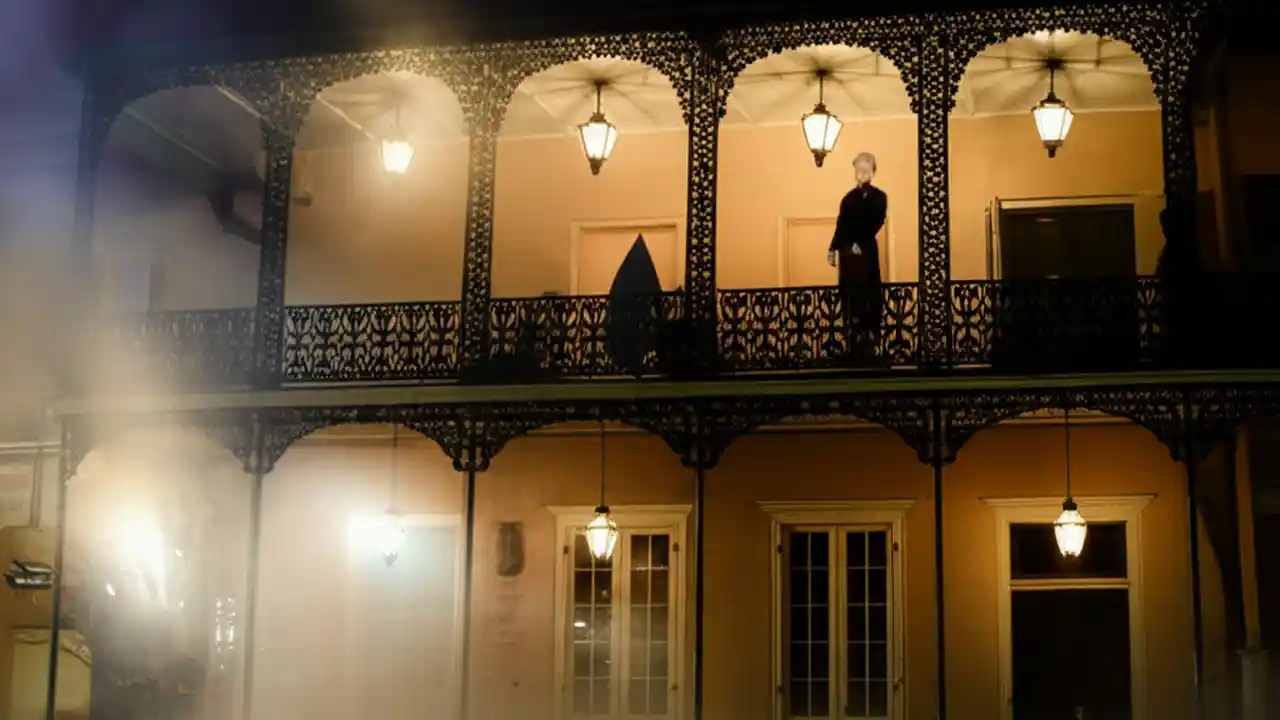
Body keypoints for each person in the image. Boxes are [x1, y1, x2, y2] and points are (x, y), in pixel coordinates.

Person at [827, 151, 887, 362]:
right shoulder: (848, 198)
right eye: (858, 169)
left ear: (872, 171)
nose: (861, 173)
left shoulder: (879, 197)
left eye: (865, 169)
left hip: (867, 253)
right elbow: (841, 225)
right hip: (848, 255)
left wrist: (858, 243)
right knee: (850, 297)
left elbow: (876, 221)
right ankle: (851, 339)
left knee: (869, 296)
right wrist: (833, 248)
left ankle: (870, 341)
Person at [1156, 194, 1203, 366]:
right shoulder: (1176, 251)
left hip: (1179, 312)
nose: (1164, 231)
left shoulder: (1179, 253)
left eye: (1166, 227)